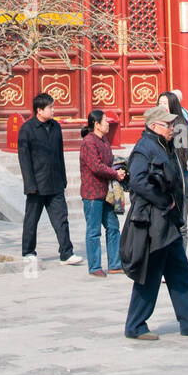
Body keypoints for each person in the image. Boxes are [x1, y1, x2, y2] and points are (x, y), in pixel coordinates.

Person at [122, 104, 188, 340]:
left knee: (180, 271)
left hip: (168, 222)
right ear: (154, 126)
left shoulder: (165, 145)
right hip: (153, 221)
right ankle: (135, 325)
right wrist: (165, 202)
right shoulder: (145, 148)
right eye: (168, 125)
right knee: (151, 274)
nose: (172, 128)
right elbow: (138, 182)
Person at [17, 93, 82, 266]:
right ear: (39, 110)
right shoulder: (27, 129)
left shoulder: (56, 127)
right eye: (50, 107)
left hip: (55, 182)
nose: (53, 110)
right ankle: (28, 251)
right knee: (31, 220)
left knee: (61, 219)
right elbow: (24, 160)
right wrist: (29, 184)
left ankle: (66, 253)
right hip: (36, 184)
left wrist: (63, 178)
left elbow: (60, 154)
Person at [79, 109, 126, 276]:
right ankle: (95, 267)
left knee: (113, 226)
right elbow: (96, 166)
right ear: (96, 124)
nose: (108, 123)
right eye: (105, 120)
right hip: (92, 193)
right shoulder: (88, 142)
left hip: (106, 193)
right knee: (93, 231)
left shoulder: (104, 140)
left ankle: (114, 263)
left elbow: (109, 162)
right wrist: (115, 174)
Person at [157, 89, 188, 246]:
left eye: (165, 103)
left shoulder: (179, 128)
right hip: (161, 180)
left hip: (178, 180)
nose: (162, 106)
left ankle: (180, 263)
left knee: (181, 224)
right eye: (160, 103)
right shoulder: (155, 126)